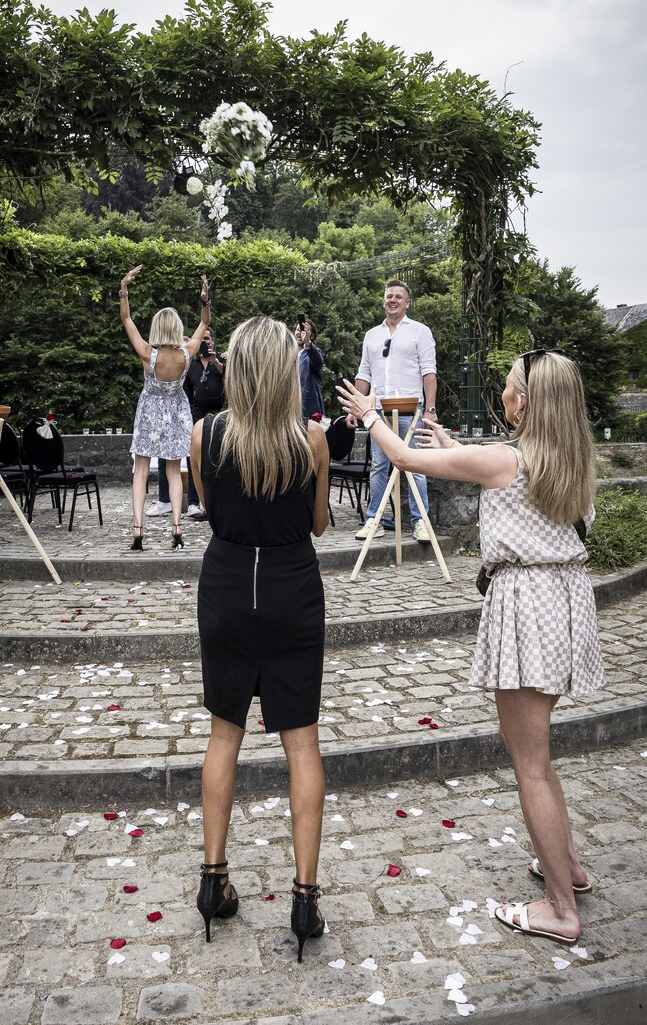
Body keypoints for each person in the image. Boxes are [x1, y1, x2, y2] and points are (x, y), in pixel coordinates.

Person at [338, 349, 605, 947]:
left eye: (508, 386)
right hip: (564, 601)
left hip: (527, 605)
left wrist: (370, 412)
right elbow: (511, 485)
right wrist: (455, 446)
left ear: (525, 401)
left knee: (529, 763)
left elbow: (405, 458)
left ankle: (560, 908)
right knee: (538, 752)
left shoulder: (506, 459)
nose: (502, 393)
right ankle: (569, 866)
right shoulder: (570, 460)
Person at [190, 316, 330, 962]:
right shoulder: (311, 440)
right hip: (291, 586)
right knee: (302, 742)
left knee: (224, 734)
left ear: (238, 369)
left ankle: (213, 878)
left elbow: (209, 509)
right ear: (284, 371)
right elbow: (319, 524)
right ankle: (304, 896)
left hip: (225, 584)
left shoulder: (205, 434)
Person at [119, 267, 209, 550]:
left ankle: (137, 529)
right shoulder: (187, 353)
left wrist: (124, 290)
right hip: (177, 413)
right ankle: (177, 527)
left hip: (149, 411)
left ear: (157, 327)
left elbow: (126, 318)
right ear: (177, 328)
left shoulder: (147, 353)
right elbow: (204, 323)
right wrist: (204, 301)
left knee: (141, 470)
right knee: (173, 469)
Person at [350, 279, 437, 542]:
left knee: (415, 465)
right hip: (378, 410)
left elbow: (429, 372)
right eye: (389, 296)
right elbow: (364, 373)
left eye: (398, 296)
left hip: (412, 410)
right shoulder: (372, 335)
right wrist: (355, 408)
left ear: (407, 303)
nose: (393, 300)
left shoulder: (420, 331)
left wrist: (431, 409)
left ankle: (420, 522)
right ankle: (374, 520)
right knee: (379, 465)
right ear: (383, 301)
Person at [184, 326, 226, 520]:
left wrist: (214, 362)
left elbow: (229, 377)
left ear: (213, 341)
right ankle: (193, 502)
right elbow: (186, 393)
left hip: (220, 416)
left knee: (218, 459)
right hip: (198, 416)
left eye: (207, 339)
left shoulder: (222, 359)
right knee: (194, 460)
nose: (205, 342)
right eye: (202, 339)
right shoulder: (191, 364)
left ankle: (217, 503)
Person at [294, 317, 325, 420]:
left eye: (303, 331)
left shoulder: (313, 353)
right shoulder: (288, 355)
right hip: (291, 409)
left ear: (311, 335)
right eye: (298, 330)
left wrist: (307, 344)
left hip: (309, 412)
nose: (299, 333)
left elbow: (318, 363)